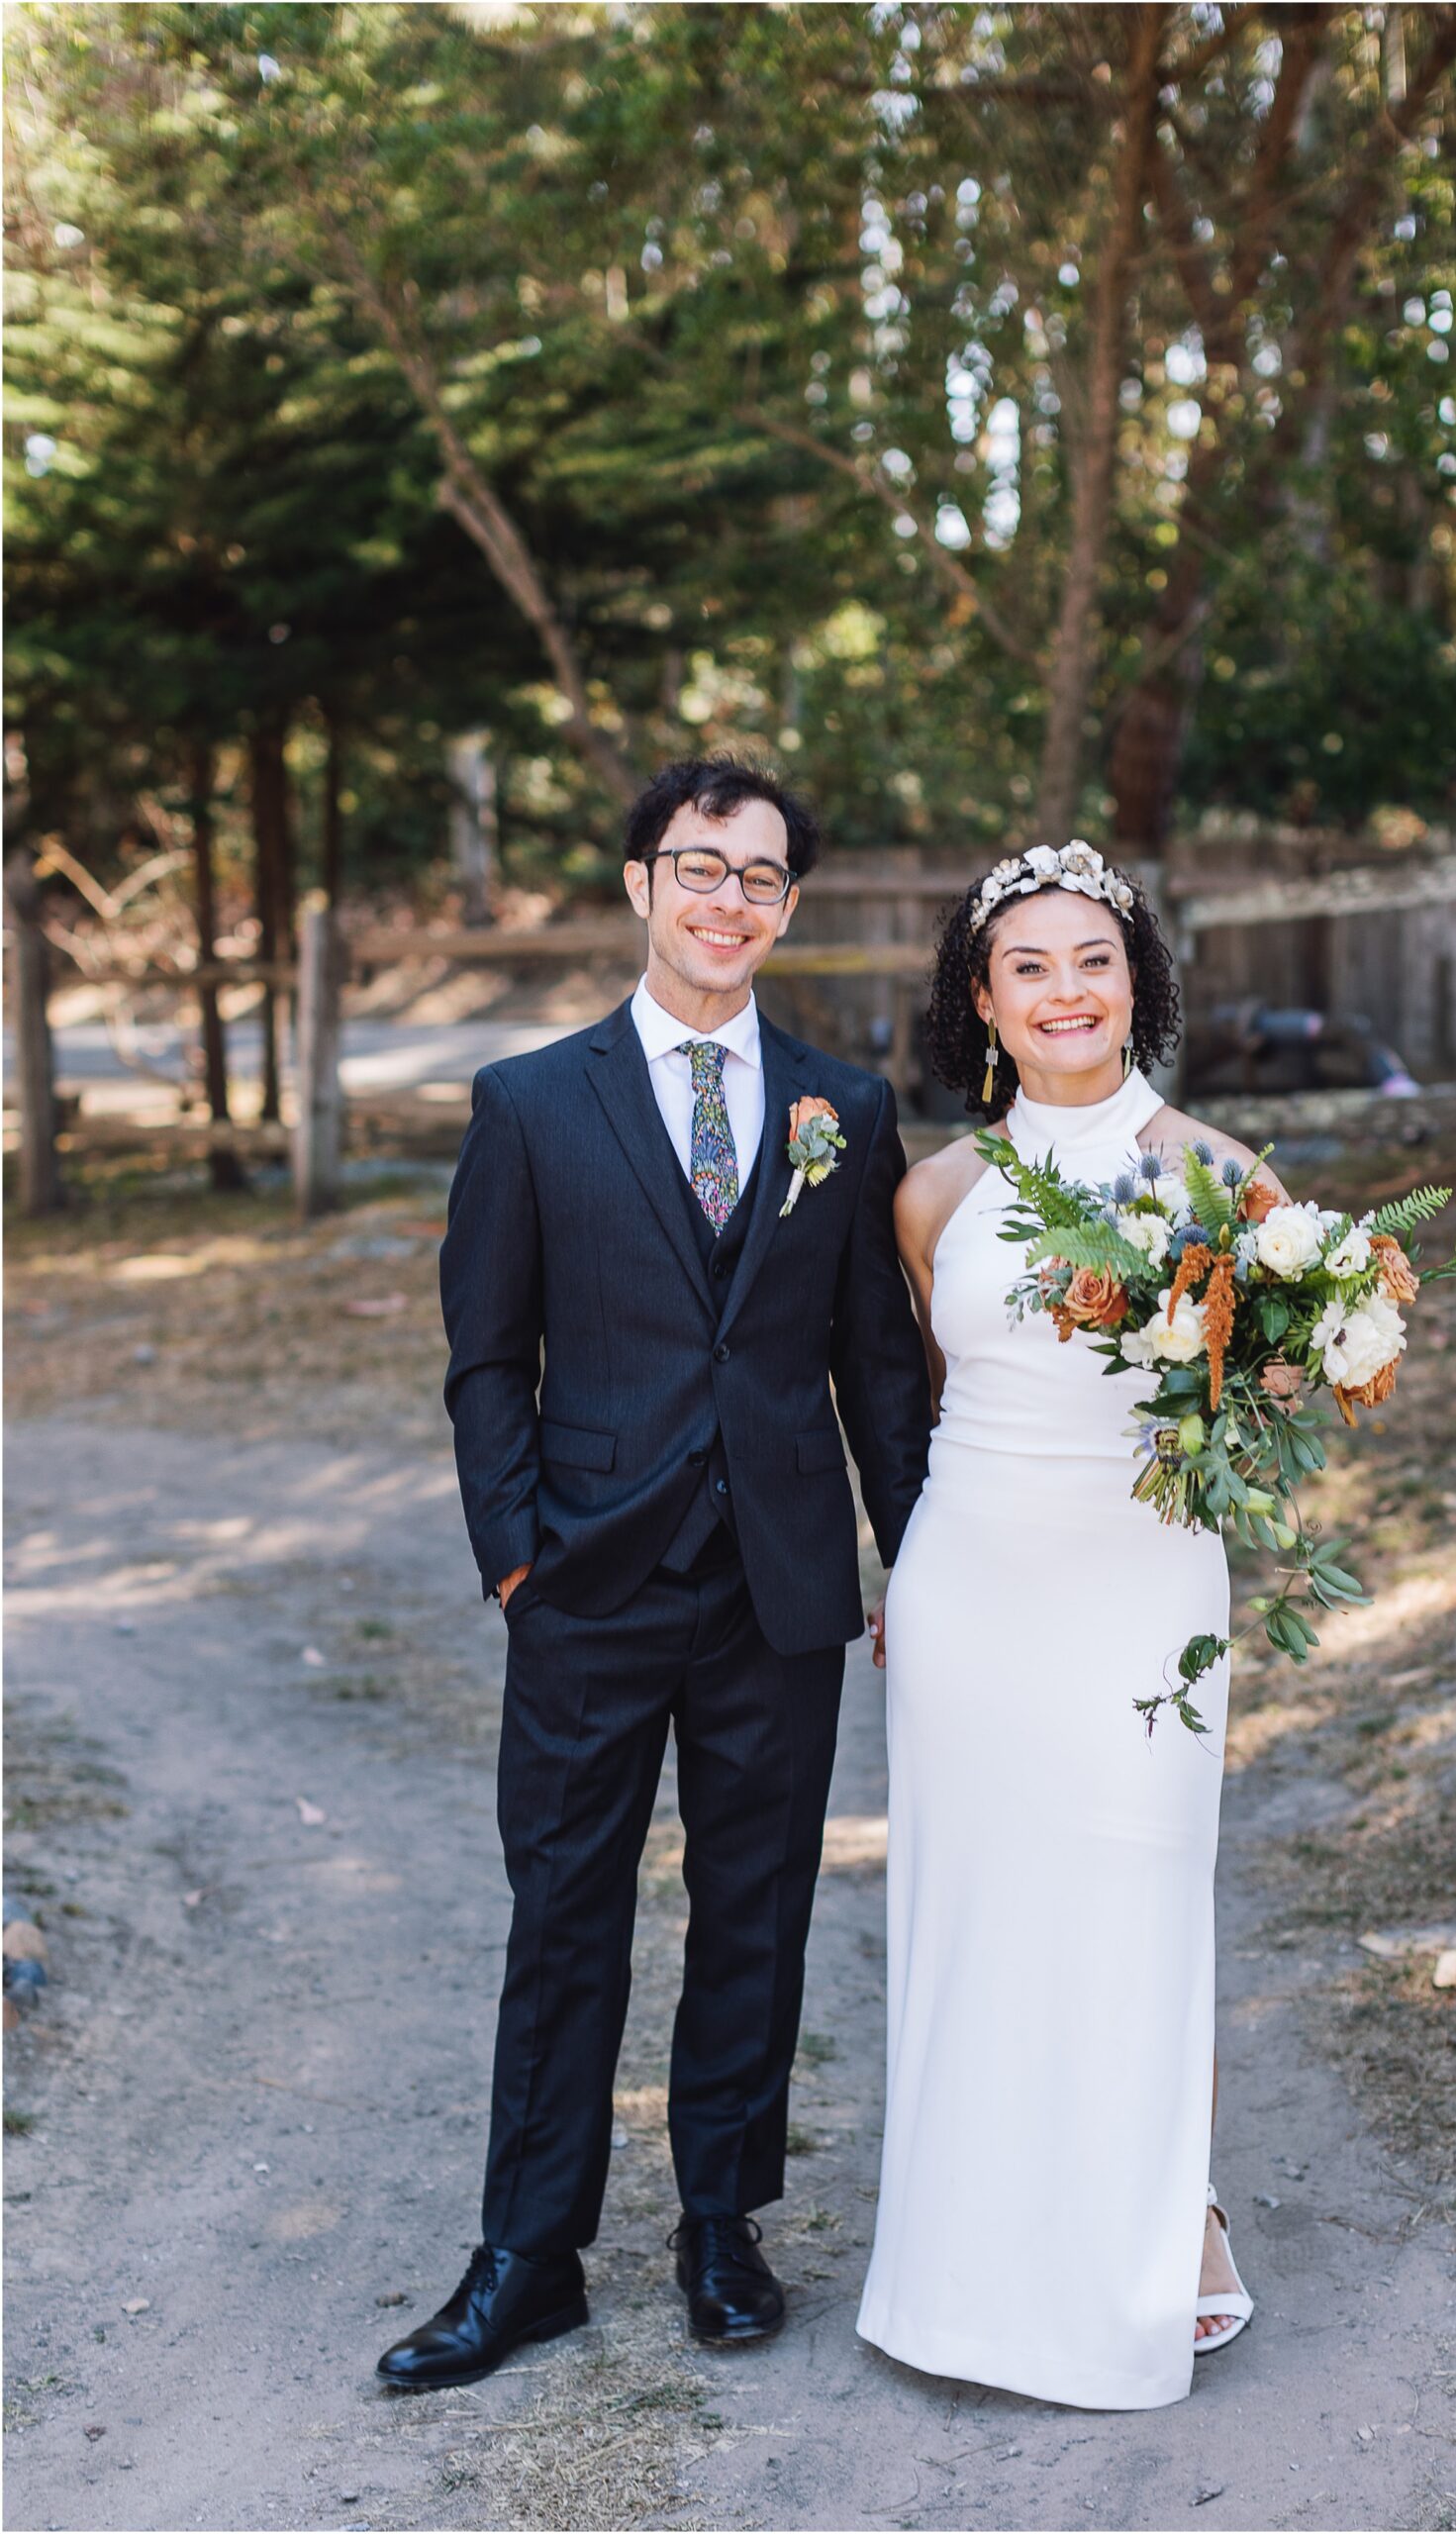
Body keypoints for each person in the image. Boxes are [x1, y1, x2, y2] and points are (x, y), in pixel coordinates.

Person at [379, 757, 930, 2391]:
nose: (727, 900)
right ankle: (528, 2256)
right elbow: (487, 1356)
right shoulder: (534, 1104)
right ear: (639, 885)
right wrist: (512, 1559)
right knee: (563, 1915)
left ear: (787, 909)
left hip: (779, 1586)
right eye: (700, 867)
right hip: (588, 1581)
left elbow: (877, 1370)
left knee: (752, 1910)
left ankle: (719, 2223)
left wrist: (920, 1555)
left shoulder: (847, 1108)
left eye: (761, 878)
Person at [856, 842, 1282, 2410]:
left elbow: (1272, 1392)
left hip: (1146, 1585)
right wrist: (905, 1572)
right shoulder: (932, 1196)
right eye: (1027, 967)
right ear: (983, 1000)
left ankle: (1172, 2227)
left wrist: (1284, 1362)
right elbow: (940, 1397)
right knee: (983, 1917)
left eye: (1091, 960)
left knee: (1139, 1901)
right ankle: (969, 2267)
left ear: (1137, 984)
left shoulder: (1221, 1177)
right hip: (972, 1589)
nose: (1064, 991)